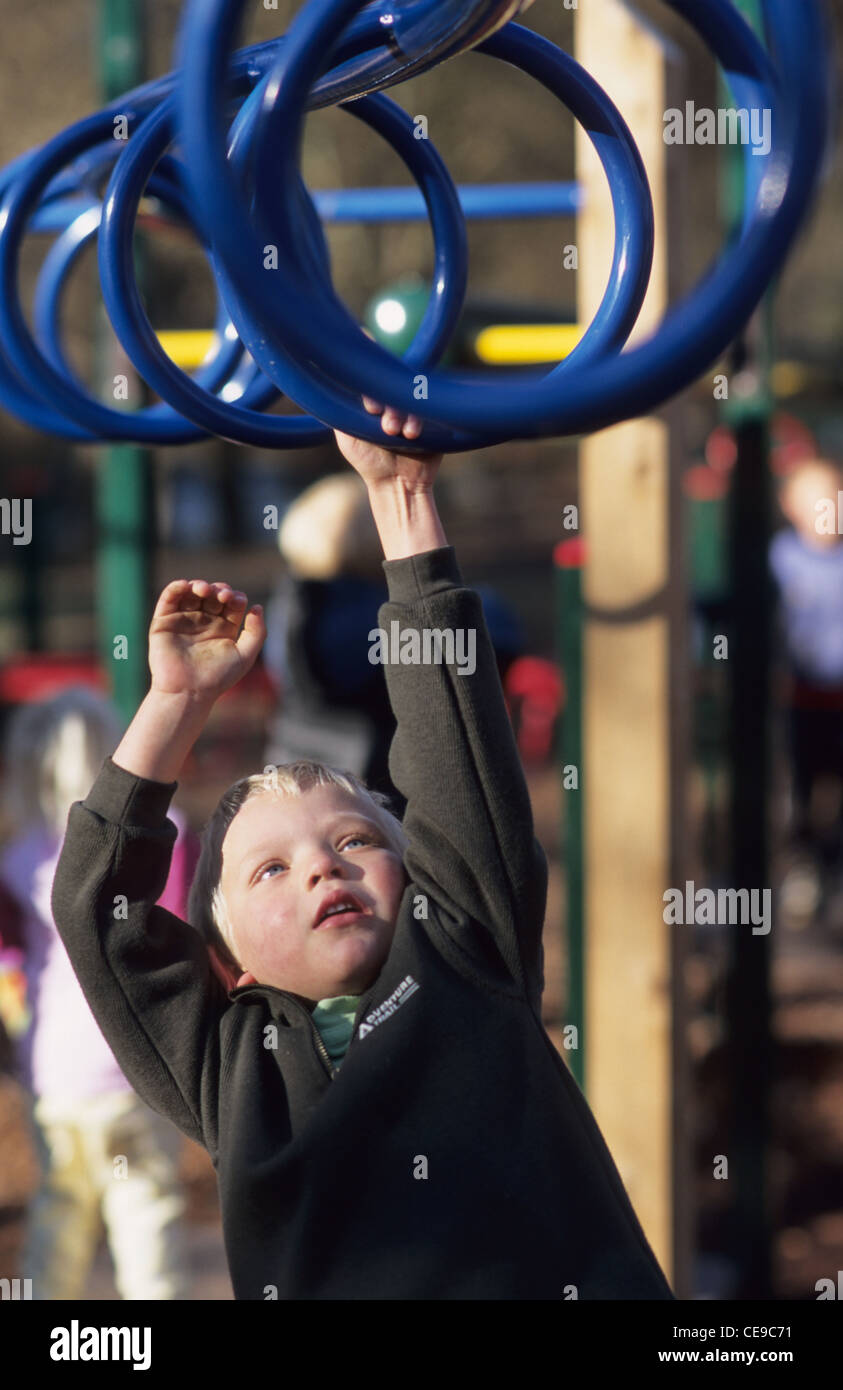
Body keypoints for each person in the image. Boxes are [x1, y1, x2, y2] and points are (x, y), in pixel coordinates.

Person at [50, 403, 673, 1299]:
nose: (322, 866)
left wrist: (400, 496)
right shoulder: (229, 1067)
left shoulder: (464, 955)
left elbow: (457, 762)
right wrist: (176, 703)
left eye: (353, 840)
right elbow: (96, 912)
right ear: (227, 960)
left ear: (414, 875)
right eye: (270, 870)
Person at [0, 686, 192, 1300]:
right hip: (136, 1062)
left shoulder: (20, 857)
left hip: (55, 1075)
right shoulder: (162, 839)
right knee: (148, 1216)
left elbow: (10, 961)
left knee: (57, 1219)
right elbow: (177, 924)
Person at [262, 471, 525, 810]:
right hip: (373, 791)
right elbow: (489, 635)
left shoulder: (292, 603)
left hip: (299, 779)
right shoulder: (359, 613)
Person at [769, 457, 843, 926]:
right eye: (815, 498)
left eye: (834, 496)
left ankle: (836, 875)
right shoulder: (779, 560)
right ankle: (804, 870)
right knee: (799, 790)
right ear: (790, 505)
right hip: (798, 700)